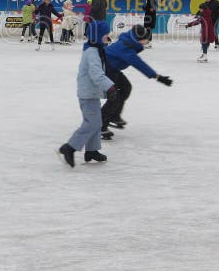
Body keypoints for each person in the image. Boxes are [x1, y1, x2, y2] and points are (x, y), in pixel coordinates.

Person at [58, 20, 116, 168]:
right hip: (87, 94)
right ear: (97, 36)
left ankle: (91, 150)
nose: (108, 37)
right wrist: (110, 87)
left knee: (96, 122)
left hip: (92, 93)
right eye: (105, 35)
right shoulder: (92, 52)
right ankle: (70, 147)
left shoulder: (96, 49)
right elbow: (96, 74)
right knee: (92, 123)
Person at [101, 24, 173, 138]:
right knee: (114, 96)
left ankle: (114, 115)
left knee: (126, 88)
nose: (147, 42)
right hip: (105, 69)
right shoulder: (126, 49)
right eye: (146, 40)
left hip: (112, 68)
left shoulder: (129, 40)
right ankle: (100, 125)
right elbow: (140, 65)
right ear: (140, 39)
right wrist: (158, 77)